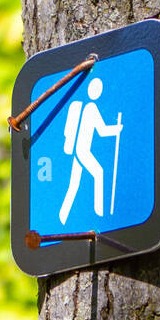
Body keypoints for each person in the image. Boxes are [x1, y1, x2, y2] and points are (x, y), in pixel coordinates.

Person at [59, 77, 123, 225]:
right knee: (99, 173)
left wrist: (116, 130)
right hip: (82, 151)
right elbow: (102, 130)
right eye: (97, 89)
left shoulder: (82, 107)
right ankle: (99, 215)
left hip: (77, 150)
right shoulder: (91, 108)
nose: (98, 92)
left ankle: (62, 217)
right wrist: (117, 129)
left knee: (74, 184)